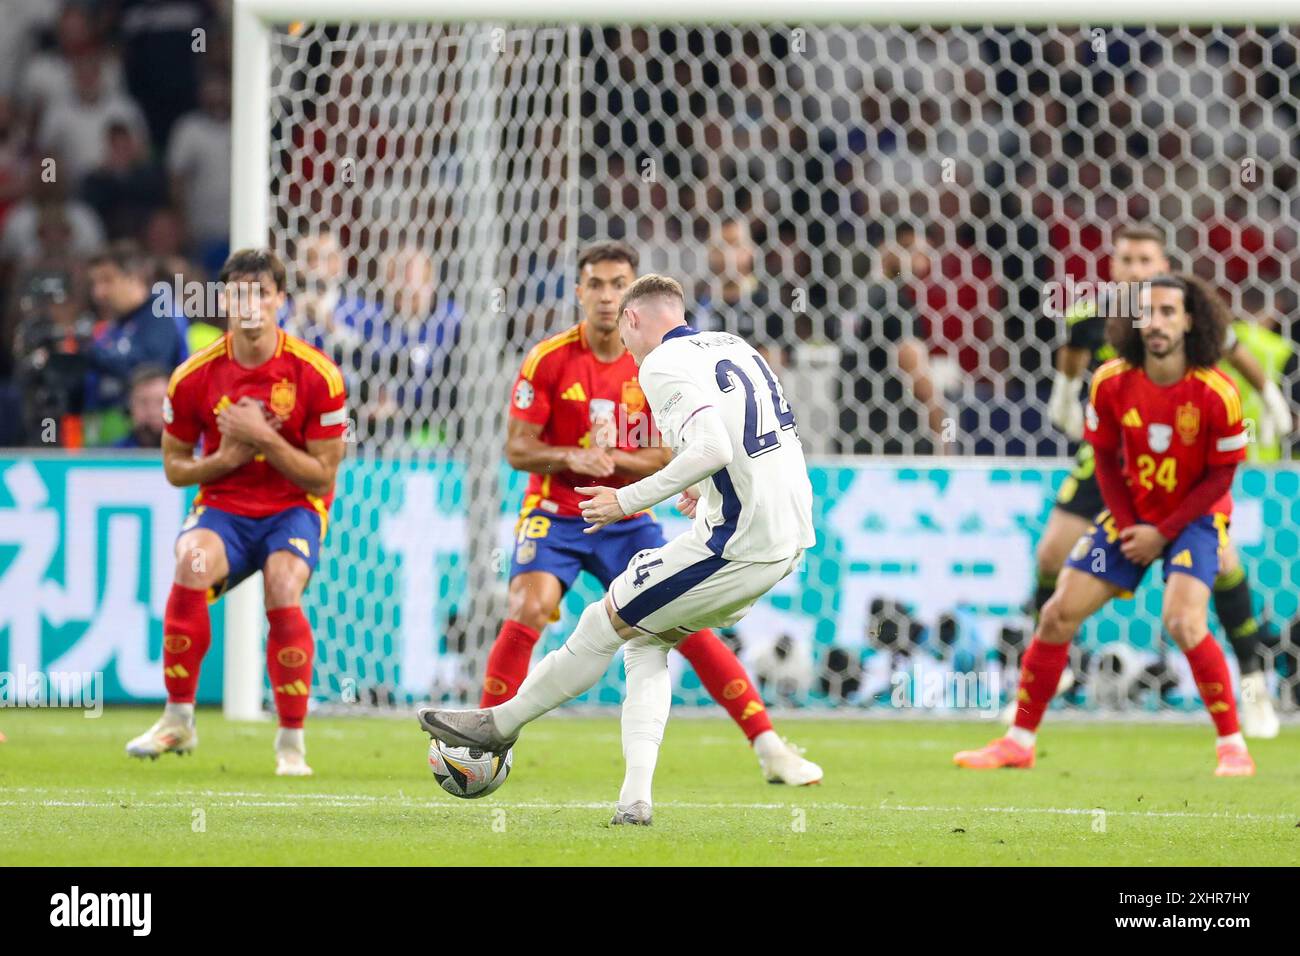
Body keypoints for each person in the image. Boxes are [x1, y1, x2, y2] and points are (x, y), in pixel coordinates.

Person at [419, 274, 818, 824]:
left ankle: (499, 725)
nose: (628, 357)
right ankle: (635, 800)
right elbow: (762, 438)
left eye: (626, 335)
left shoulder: (658, 364)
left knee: (599, 622)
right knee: (645, 641)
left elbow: (710, 444)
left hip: (736, 544)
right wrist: (702, 492)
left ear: (633, 318)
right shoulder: (733, 347)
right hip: (789, 536)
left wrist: (626, 500)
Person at [957, 274, 1255, 777]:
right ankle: (1019, 741)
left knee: (1183, 622)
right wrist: (1127, 523)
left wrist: (1163, 532)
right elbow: (1105, 460)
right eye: (1148, 312)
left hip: (1194, 521)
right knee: (1056, 614)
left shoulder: (1216, 392)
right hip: (1130, 518)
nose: (1155, 323)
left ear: (1189, 321)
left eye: (1167, 312)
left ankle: (1233, 746)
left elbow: (1221, 476)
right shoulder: (1111, 381)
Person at [1028, 224, 1282, 737]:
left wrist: (1272, 399)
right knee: (1051, 554)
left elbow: (1236, 352)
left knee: (1223, 564)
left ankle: (1253, 684)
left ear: (1163, 265)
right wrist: (1063, 398)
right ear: (1113, 266)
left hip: (1176, 467)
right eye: (1127, 260)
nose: (1137, 270)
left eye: (1146, 261)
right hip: (1110, 459)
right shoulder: (1092, 316)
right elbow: (1071, 360)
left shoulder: (1180, 309)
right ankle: (1056, 669)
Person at [125, 249, 348, 776]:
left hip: (294, 506)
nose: (251, 305)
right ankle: (178, 719)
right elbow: (176, 469)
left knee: (283, 586)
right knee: (190, 565)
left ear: (279, 301)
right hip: (224, 506)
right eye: (239, 294)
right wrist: (225, 458)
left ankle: (290, 745)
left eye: (262, 294)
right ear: (225, 301)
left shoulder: (318, 374)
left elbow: (322, 477)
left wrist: (263, 437)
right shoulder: (193, 376)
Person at [113, 363, 167, 448]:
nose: (152, 412)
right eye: (143, 403)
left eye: (160, 402)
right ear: (130, 407)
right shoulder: (112, 456)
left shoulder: (192, 454)